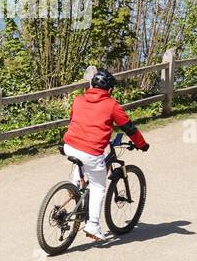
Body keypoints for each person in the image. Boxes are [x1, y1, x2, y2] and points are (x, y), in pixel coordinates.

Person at [62, 68, 149, 242]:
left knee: (81, 169)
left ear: (92, 85)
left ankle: (71, 197)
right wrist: (142, 144)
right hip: (91, 152)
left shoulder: (78, 100)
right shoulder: (111, 105)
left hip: (69, 146)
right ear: (109, 89)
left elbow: (75, 119)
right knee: (98, 187)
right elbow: (128, 127)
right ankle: (93, 225)